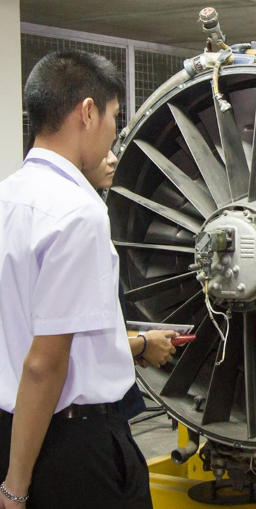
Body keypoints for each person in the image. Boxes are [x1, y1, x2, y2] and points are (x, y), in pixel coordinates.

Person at [0, 51, 162, 509]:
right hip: (76, 453)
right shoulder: (79, 212)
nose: (115, 136)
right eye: (117, 118)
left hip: (5, 440)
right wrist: (16, 490)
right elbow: (45, 364)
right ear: (87, 112)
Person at [81, 148, 178, 421]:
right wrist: (143, 344)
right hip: (91, 417)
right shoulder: (82, 227)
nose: (113, 158)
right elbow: (77, 344)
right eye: (101, 151)